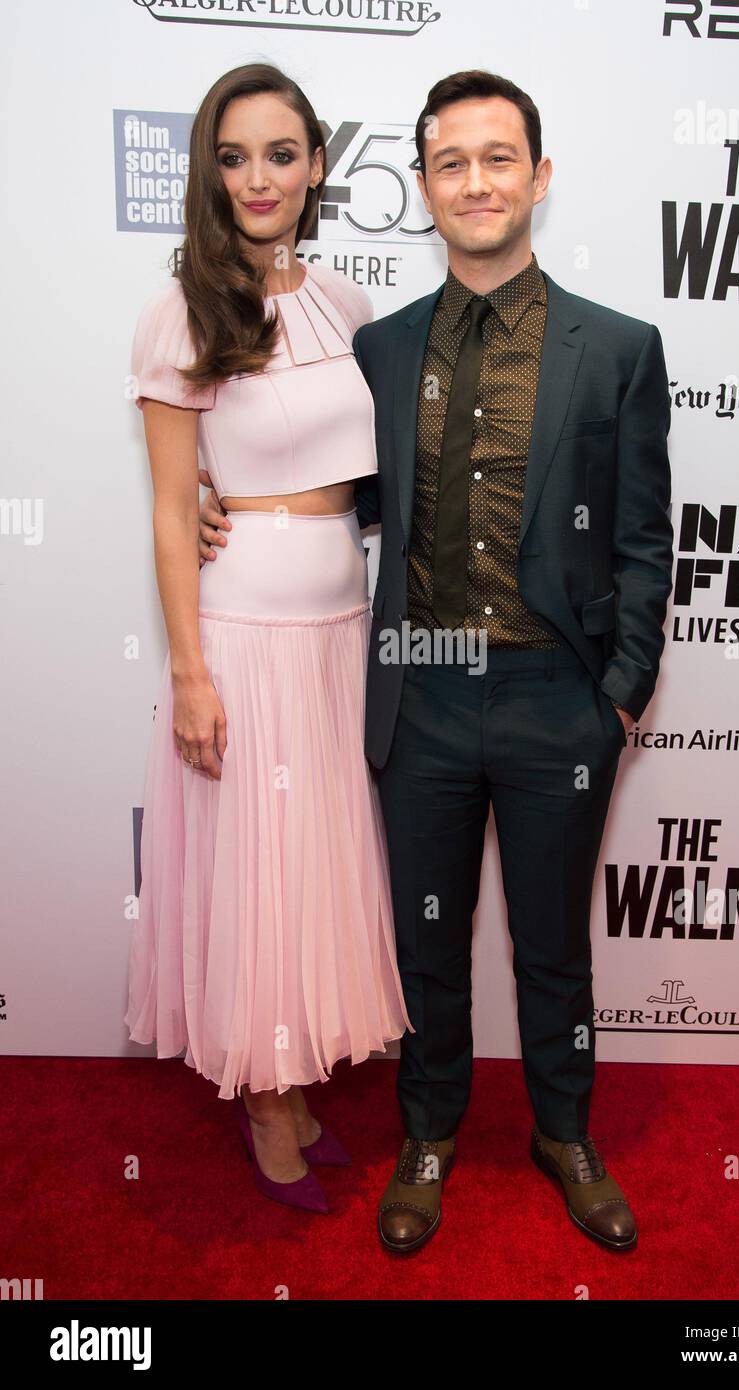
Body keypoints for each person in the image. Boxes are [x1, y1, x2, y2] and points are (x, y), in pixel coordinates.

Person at [200, 70, 673, 1253]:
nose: (475, 181)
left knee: (552, 943)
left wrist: (617, 694)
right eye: (451, 162)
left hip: (556, 699)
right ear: (421, 188)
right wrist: (223, 501)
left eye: (498, 158)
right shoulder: (379, 345)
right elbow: (331, 489)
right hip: (417, 691)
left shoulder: (617, 348)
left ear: (538, 178)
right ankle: (428, 1131)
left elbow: (643, 537)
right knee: (427, 937)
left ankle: (563, 1132)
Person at [125, 62, 411, 1215]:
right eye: (234, 156)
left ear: (317, 167)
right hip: (240, 635)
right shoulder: (181, 311)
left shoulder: (344, 304)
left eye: (281, 154)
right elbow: (163, 507)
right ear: (208, 169)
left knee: (312, 870)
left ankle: (293, 1087)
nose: (259, 178)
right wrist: (189, 673)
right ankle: (261, 1101)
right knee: (255, 867)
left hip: (340, 632)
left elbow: (375, 475)